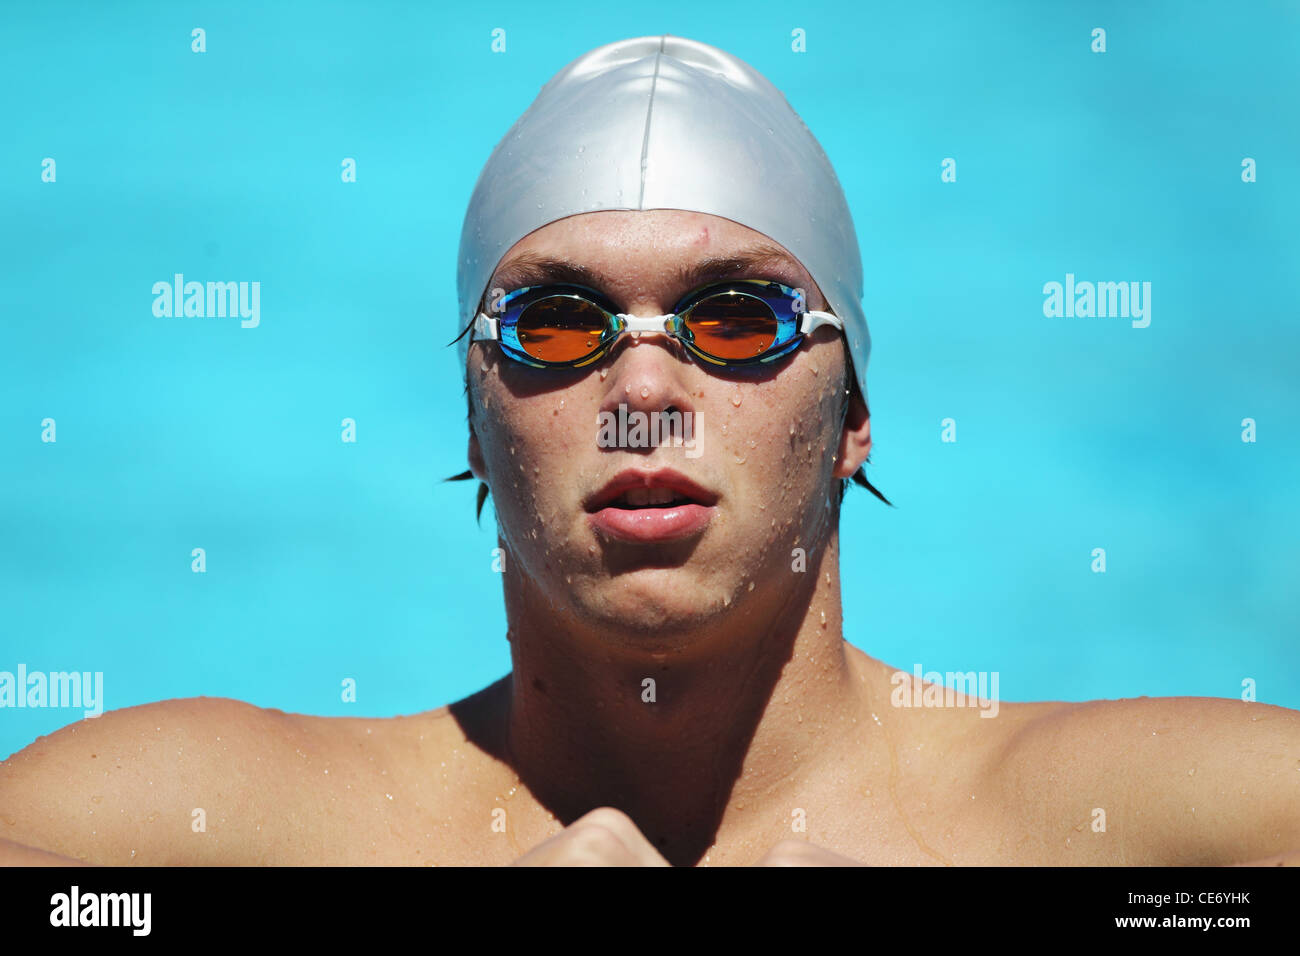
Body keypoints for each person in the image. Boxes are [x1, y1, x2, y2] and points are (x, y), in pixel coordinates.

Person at [2, 35, 1297, 868]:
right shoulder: (166, 835)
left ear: (854, 414)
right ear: (473, 418)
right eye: (556, 324)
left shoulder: (1187, 831)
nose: (643, 388)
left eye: (739, 318)